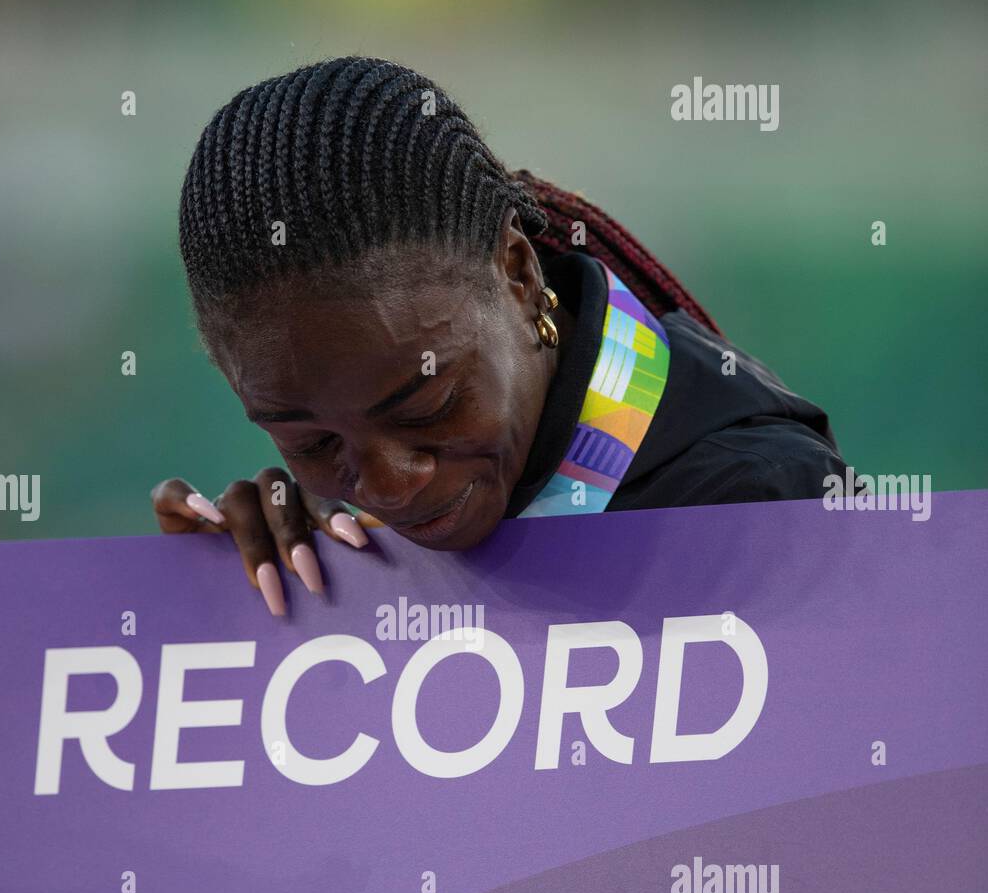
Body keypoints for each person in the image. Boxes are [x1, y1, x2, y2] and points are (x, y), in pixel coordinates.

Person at [154, 56, 847, 616]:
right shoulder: (364, 526)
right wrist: (260, 595)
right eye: (311, 442)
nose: (390, 488)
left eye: (427, 408)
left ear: (517, 275)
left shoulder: (762, 508)